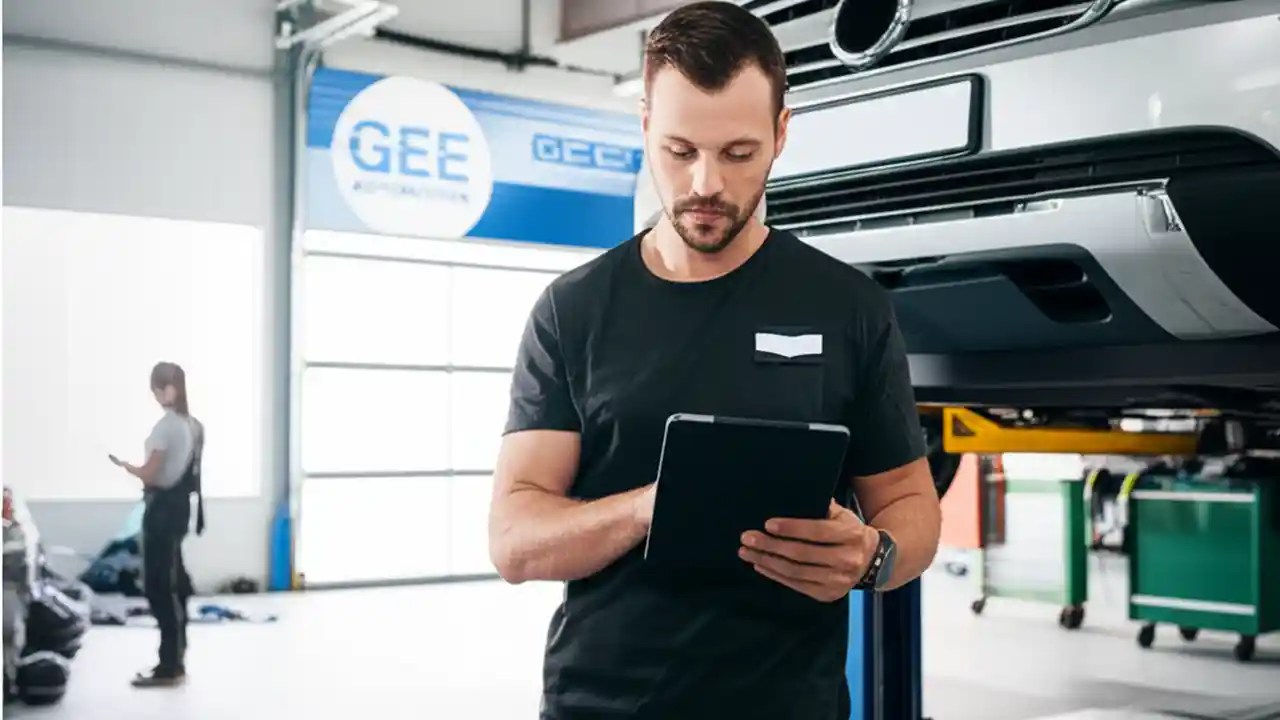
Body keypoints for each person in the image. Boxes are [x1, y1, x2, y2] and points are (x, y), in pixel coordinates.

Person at [488, 2, 942, 717]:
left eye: (737, 153)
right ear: (645, 125)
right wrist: (650, 509)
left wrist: (873, 557)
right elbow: (515, 541)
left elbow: (912, 508)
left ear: (780, 133)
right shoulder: (573, 310)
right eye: (679, 151)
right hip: (601, 705)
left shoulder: (849, 308)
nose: (705, 183)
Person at [109, 361, 205, 688]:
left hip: (162, 510)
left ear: (173, 388)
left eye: (160, 387)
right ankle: (177, 656)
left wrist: (128, 468)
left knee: (159, 586)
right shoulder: (193, 425)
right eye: (155, 387)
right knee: (176, 583)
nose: (157, 393)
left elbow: (152, 473)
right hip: (180, 511)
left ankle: (169, 666)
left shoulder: (167, 426)